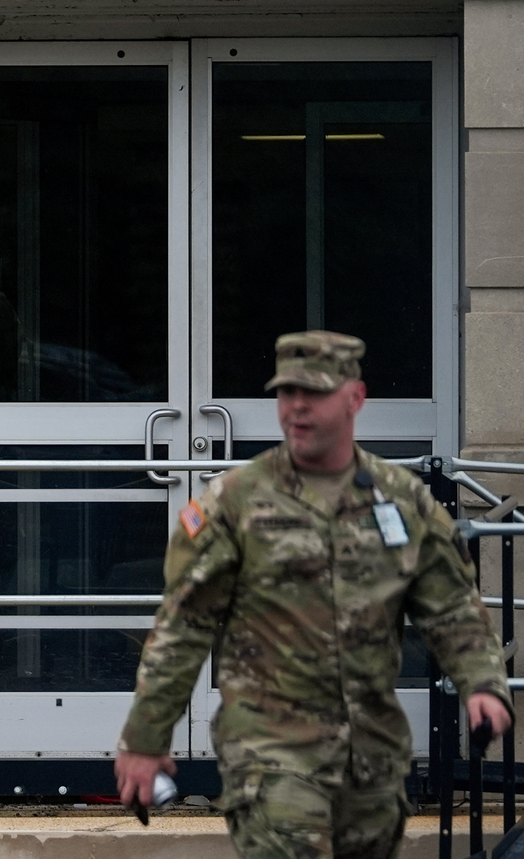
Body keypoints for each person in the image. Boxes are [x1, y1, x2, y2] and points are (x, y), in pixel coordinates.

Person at [115, 330, 513, 859]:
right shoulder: (235, 502)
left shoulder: (400, 500)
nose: (297, 408)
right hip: (271, 756)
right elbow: (183, 627)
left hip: (371, 761)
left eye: (315, 394)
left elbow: (452, 606)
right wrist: (145, 739)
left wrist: (483, 684)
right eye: (286, 394)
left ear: (355, 398)